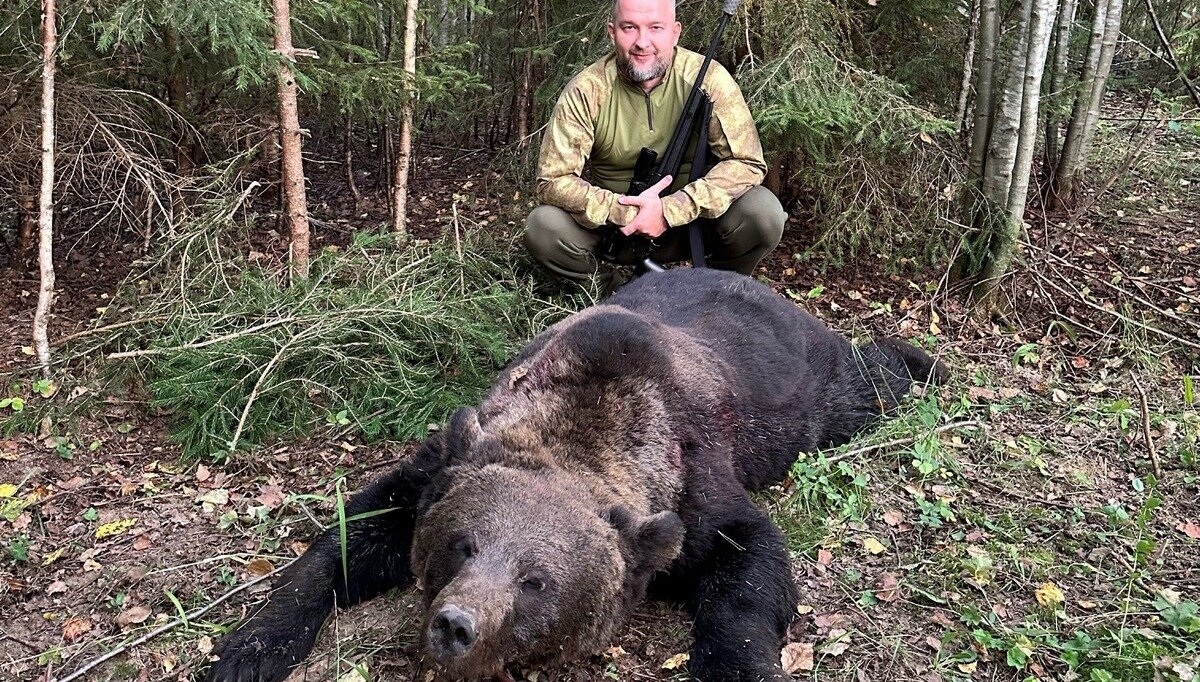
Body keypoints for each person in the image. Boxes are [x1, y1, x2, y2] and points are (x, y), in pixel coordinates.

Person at [525, 0, 787, 287]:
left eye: (655, 28)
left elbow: (747, 163)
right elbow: (553, 180)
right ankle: (610, 297)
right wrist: (621, 210)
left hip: (691, 226)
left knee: (763, 212)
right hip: (616, 231)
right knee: (544, 228)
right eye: (629, 28)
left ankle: (718, 291)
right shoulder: (587, 90)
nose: (642, 42)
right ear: (612, 32)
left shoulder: (708, 79)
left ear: (675, 33)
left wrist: (670, 210)